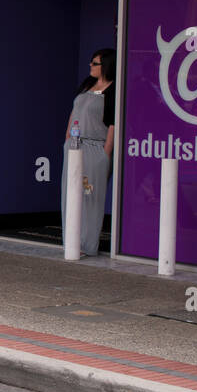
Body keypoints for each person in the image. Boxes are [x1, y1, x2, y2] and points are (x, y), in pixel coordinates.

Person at [61, 48, 116, 257]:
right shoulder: (87, 85)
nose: (91, 66)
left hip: (95, 147)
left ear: (106, 66)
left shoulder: (112, 91)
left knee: (89, 194)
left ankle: (86, 243)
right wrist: (67, 139)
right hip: (74, 146)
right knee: (71, 193)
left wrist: (105, 153)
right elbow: (74, 112)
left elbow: (113, 124)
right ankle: (71, 241)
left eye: (95, 63)